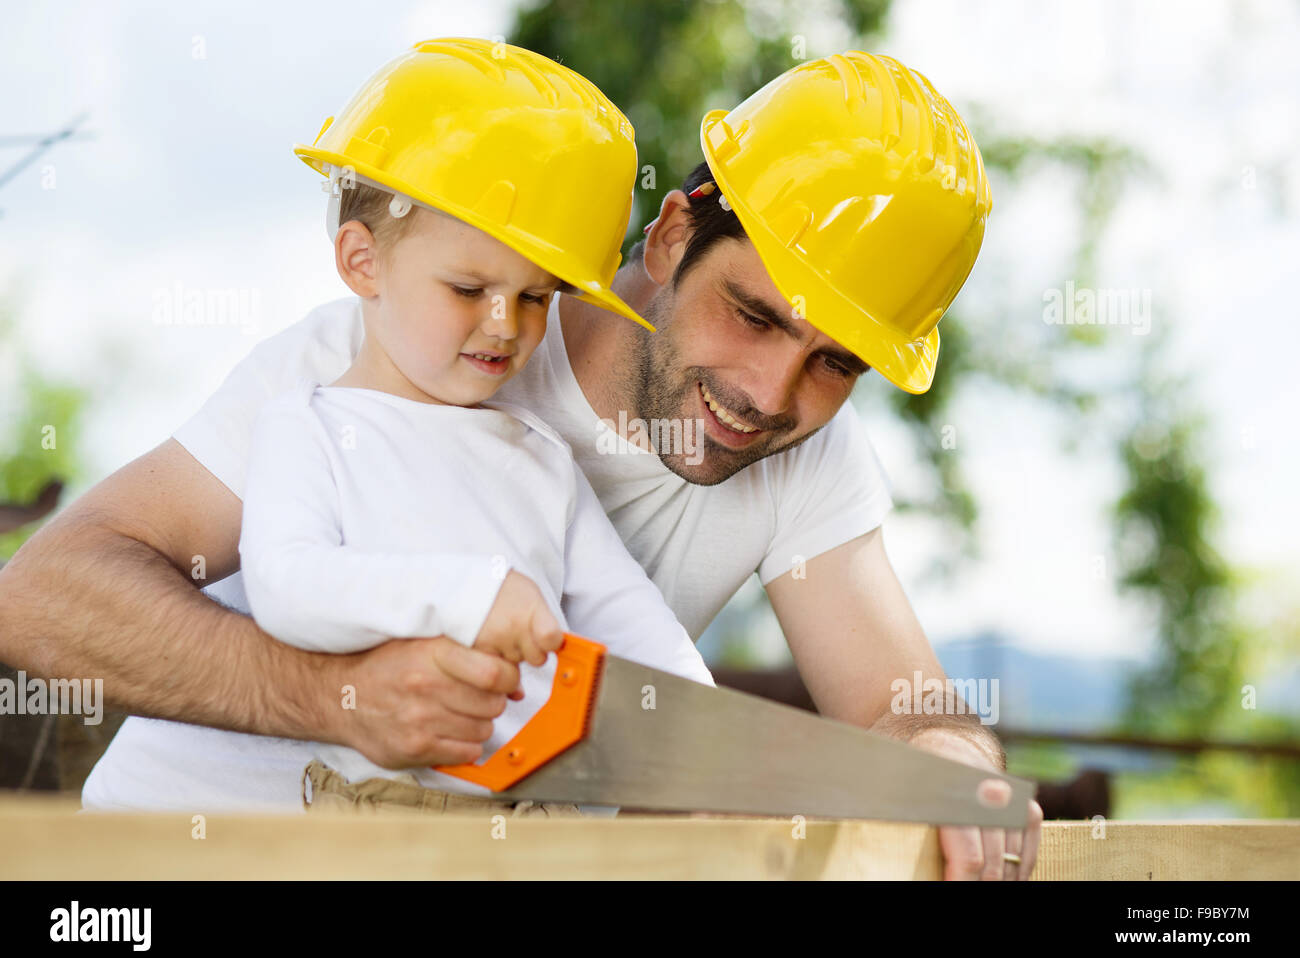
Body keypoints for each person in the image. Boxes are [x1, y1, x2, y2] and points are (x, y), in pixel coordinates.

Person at [0, 50, 1043, 876]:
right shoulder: (369, 367)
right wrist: (337, 696)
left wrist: (954, 769)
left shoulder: (803, 453)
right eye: (754, 314)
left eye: (836, 363)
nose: (770, 395)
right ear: (674, 233)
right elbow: (44, 596)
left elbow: (899, 705)